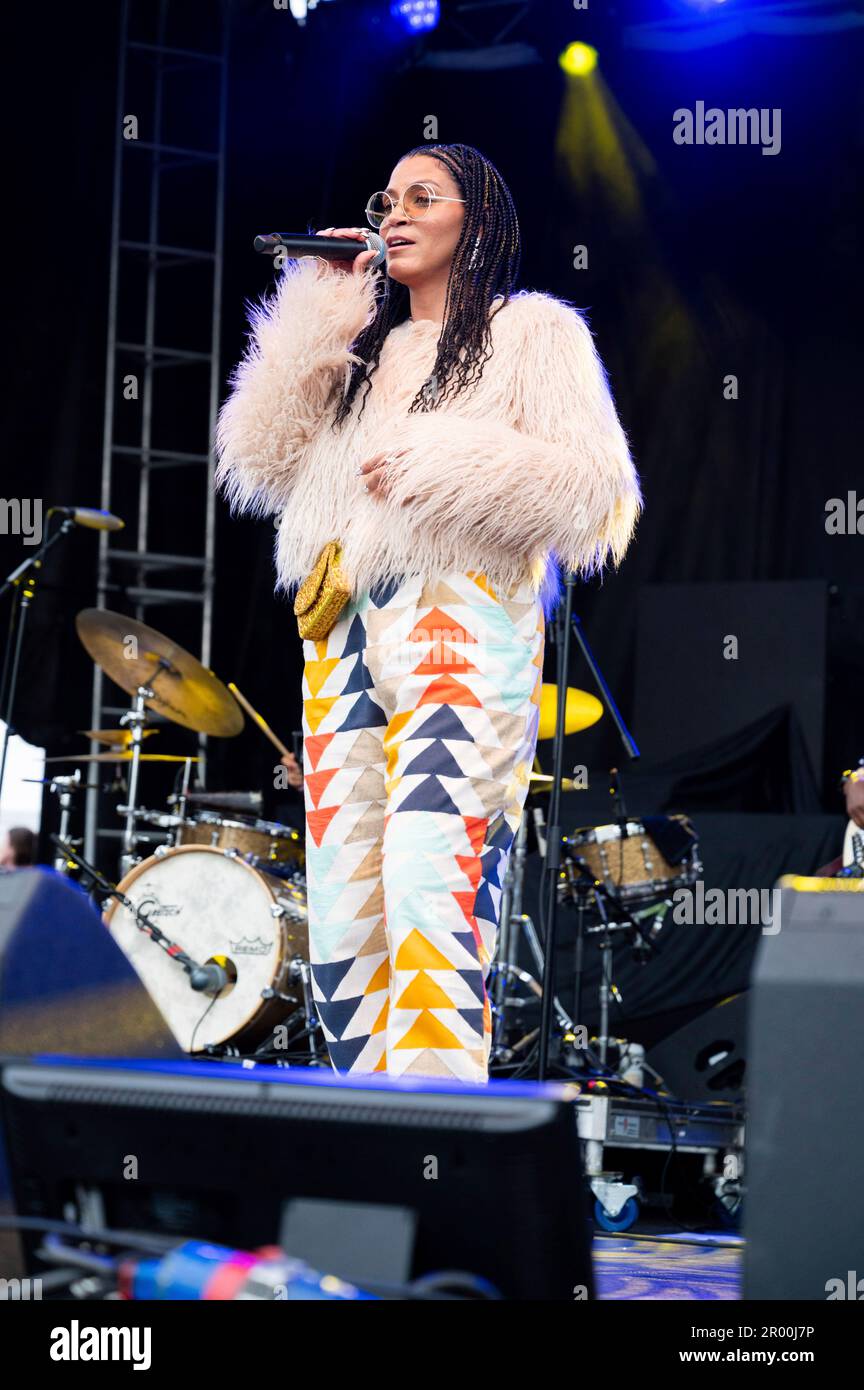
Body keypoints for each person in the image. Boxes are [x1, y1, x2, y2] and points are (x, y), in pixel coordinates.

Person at [216, 142, 641, 1083]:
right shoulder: (360, 355)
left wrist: (444, 461)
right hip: (341, 634)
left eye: (424, 197)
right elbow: (257, 458)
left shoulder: (532, 332)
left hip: (457, 616)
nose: (396, 212)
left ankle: (438, 1145)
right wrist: (317, 305)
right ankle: (374, 1136)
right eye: (388, 198)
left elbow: (598, 494)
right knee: (343, 906)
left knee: (427, 880)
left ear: (476, 222)